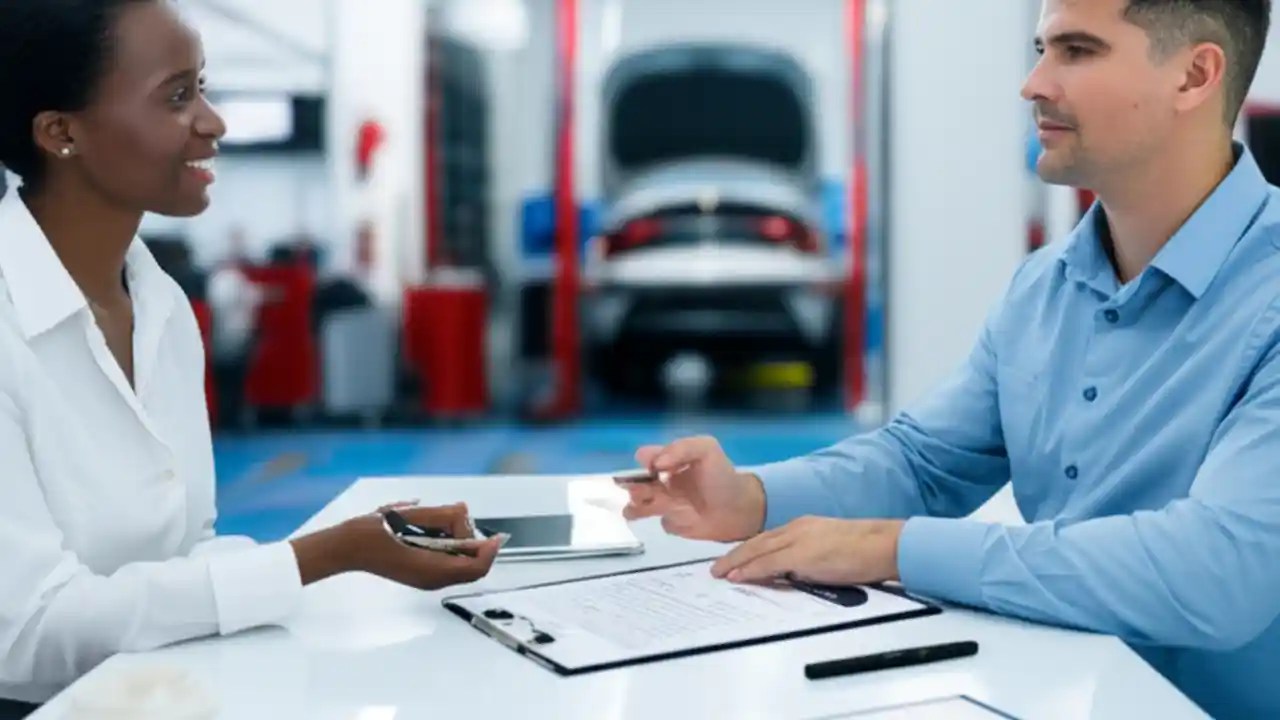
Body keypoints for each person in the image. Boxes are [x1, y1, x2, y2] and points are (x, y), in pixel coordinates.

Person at [622, 1, 1277, 718]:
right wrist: (750, 498)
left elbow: (1218, 575)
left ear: (1195, 75)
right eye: (1040, 49)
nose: (1033, 83)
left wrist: (895, 548)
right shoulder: (1045, 287)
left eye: (1077, 51)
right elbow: (925, 462)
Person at [0, 1, 501, 714]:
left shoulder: (161, 306)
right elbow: (24, 637)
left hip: (145, 693)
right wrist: (323, 557)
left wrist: (360, 546)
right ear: (61, 132)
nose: (213, 121)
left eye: (202, 87)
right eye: (177, 97)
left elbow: (184, 551)